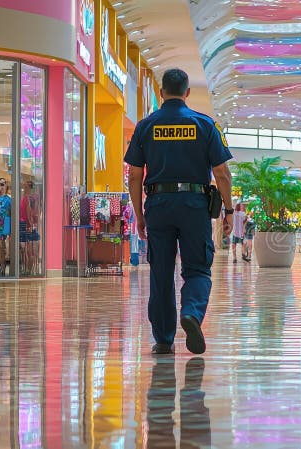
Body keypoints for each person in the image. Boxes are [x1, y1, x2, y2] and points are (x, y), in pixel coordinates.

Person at [124, 68, 234, 355]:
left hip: (158, 204)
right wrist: (229, 210)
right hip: (195, 205)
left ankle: (163, 339)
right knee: (197, 268)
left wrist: (139, 214)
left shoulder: (145, 126)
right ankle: (192, 313)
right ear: (187, 93)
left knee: (160, 271)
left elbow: (135, 176)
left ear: (161, 93)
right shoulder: (205, 124)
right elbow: (222, 172)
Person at [19, 180, 41, 276]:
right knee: (27, 248)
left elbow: (29, 213)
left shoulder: (28, 198)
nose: (24, 188)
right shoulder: (29, 197)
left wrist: (30, 225)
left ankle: (28, 270)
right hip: (28, 224)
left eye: (26, 187)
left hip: (27, 224)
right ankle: (28, 269)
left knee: (28, 249)